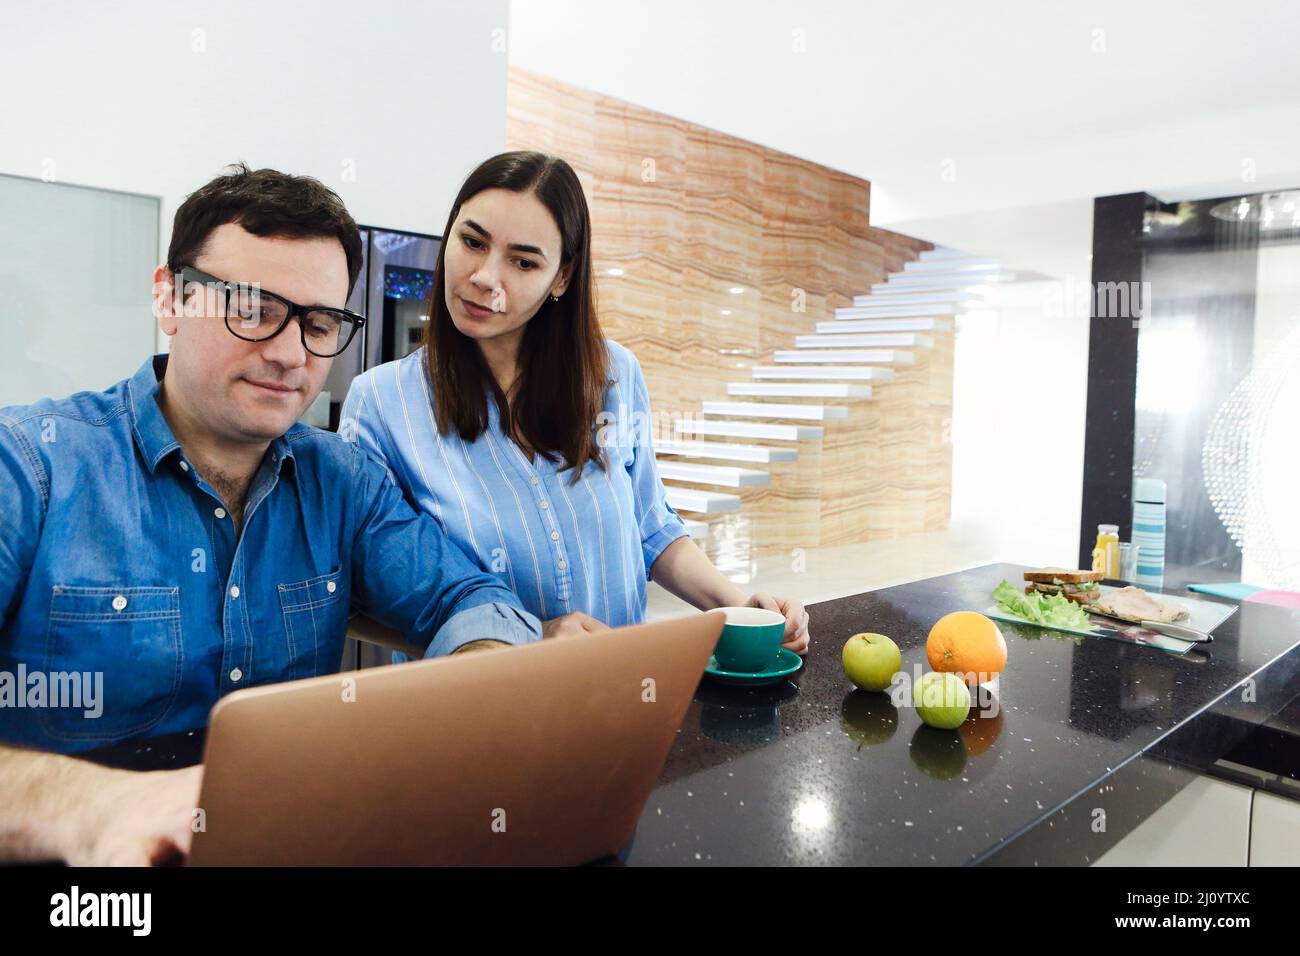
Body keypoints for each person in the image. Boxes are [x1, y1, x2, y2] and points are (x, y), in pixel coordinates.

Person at [0, 164, 542, 865]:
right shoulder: (31, 468)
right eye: (250, 308)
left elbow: (469, 598)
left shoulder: (342, 481)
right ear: (169, 301)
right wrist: (98, 806)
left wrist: (480, 682)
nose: (289, 355)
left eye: (319, 323)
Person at [341, 151, 811, 650]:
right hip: (471, 711)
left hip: (623, 694)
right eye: (472, 242)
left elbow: (650, 526)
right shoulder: (381, 404)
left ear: (561, 277)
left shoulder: (614, 376)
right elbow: (355, 599)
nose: (484, 277)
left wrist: (737, 606)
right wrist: (520, 640)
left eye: (523, 261)